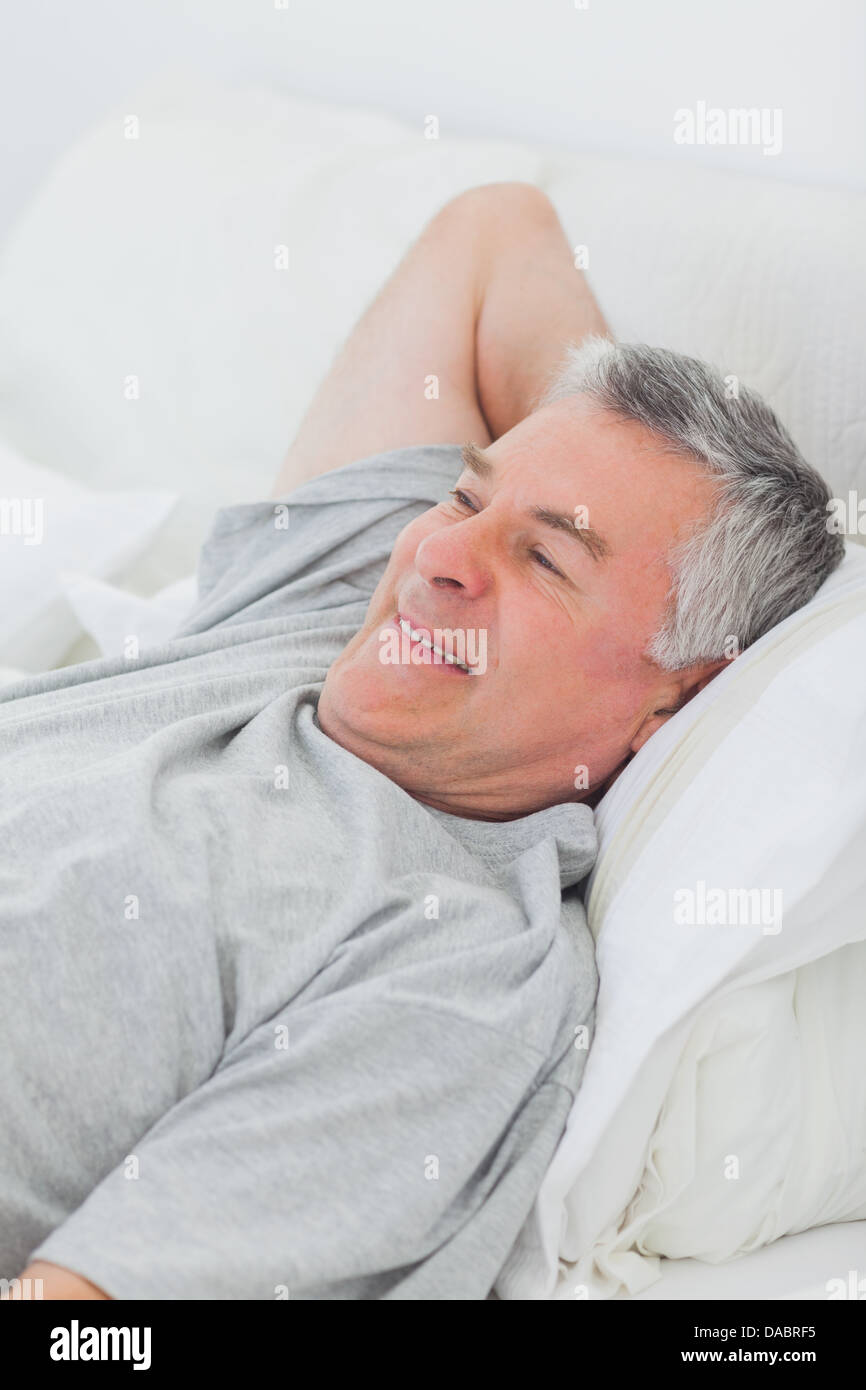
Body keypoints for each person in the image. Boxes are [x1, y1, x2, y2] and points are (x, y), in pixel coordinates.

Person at [0, 183, 842, 1301]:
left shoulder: (462, 969)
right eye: (461, 495)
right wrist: (594, 448)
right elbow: (490, 231)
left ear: (673, 700)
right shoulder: (309, 613)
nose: (436, 560)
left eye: (547, 561)